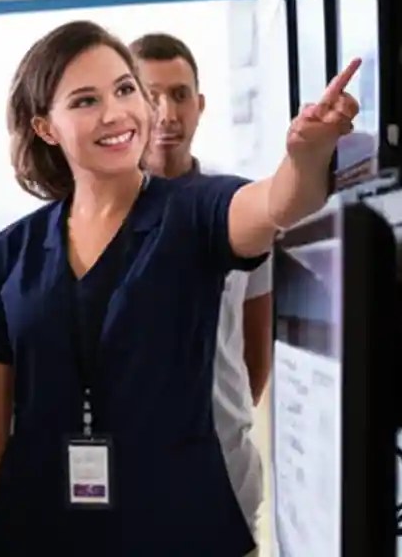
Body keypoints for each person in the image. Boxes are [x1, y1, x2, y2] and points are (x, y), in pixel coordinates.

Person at [0, 20, 359, 556]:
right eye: (85, 101)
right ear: (45, 127)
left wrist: (306, 157)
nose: (115, 113)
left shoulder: (195, 212)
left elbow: (275, 204)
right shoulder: (11, 252)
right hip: (42, 530)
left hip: (179, 527)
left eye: (125, 90)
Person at [133, 31, 274, 533]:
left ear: (201, 105)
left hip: (223, 465)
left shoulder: (240, 208)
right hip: (129, 476)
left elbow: (256, 345)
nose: (167, 114)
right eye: (150, 96)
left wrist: (220, 417)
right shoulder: (100, 213)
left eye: (180, 95)